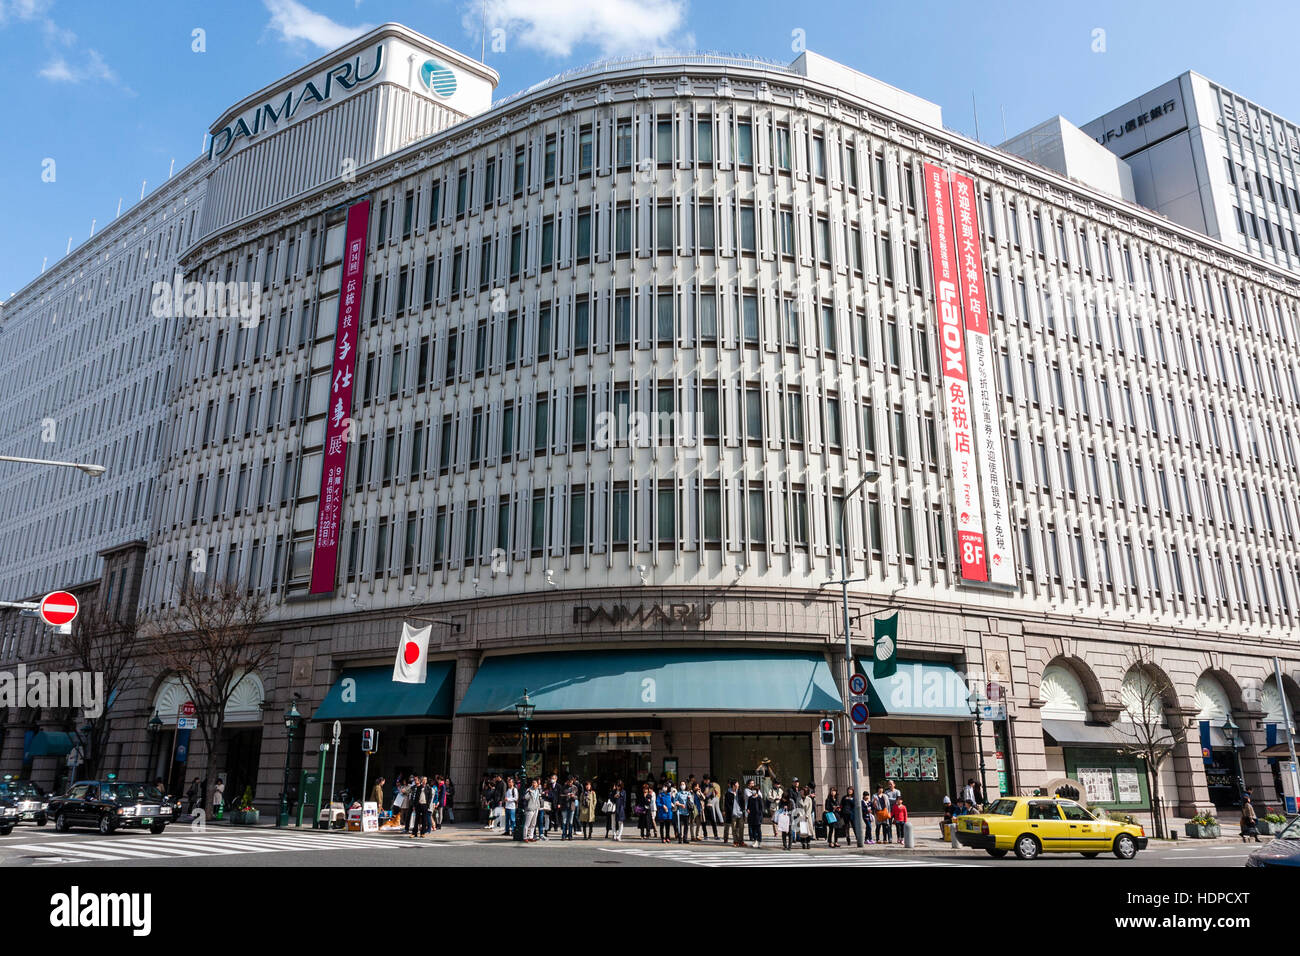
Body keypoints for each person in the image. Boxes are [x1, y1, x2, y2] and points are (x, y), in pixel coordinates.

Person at [725, 780, 746, 847]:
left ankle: (741, 841)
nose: (738, 785)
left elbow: (742, 801)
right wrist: (729, 811)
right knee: (734, 828)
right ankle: (735, 841)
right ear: (733, 786)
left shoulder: (739, 792)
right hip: (733, 813)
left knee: (741, 828)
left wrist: (743, 810)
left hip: (740, 813)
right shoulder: (728, 793)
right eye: (737, 784)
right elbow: (727, 804)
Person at [745, 779, 765, 846]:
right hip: (751, 816)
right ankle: (755, 840)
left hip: (758, 816)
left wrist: (760, 816)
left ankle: (759, 841)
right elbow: (748, 806)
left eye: (754, 790)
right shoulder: (750, 798)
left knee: (758, 829)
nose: (753, 792)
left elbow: (761, 808)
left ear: (756, 791)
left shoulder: (759, 798)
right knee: (753, 829)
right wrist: (747, 809)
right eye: (752, 790)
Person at [702, 776, 721, 841]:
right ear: (704, 780)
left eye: (708, 780)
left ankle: (716, 835)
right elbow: (704, 795)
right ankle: (705, 835)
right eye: (706, 780)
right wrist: (707, 792)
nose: (707, 781)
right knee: (704, 821)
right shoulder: (702, 786)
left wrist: (713, 792)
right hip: (703, 805)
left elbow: (714, 795)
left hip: (710, 804)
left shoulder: (711, 786)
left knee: (713, 820)